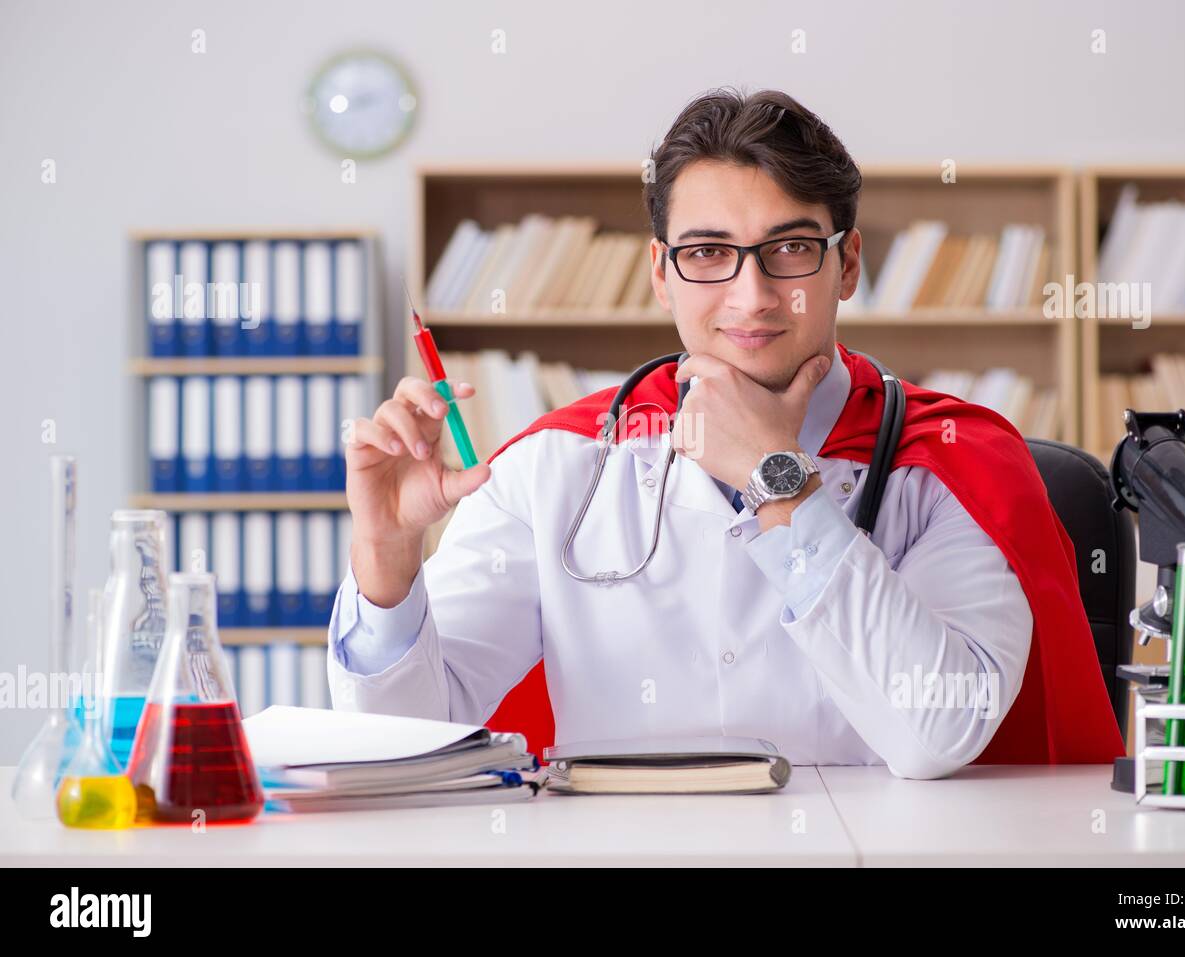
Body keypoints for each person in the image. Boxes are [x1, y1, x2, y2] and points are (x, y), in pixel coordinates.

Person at [329, 87, 1123, 778]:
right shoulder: (552, 467)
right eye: (709, 252)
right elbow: (410, 739)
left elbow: (938, 731)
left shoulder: (951, 463)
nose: (752, 295)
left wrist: (778, 480)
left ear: (846, 265)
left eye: (789, 249)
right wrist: (389, 563)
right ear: (660, 270)